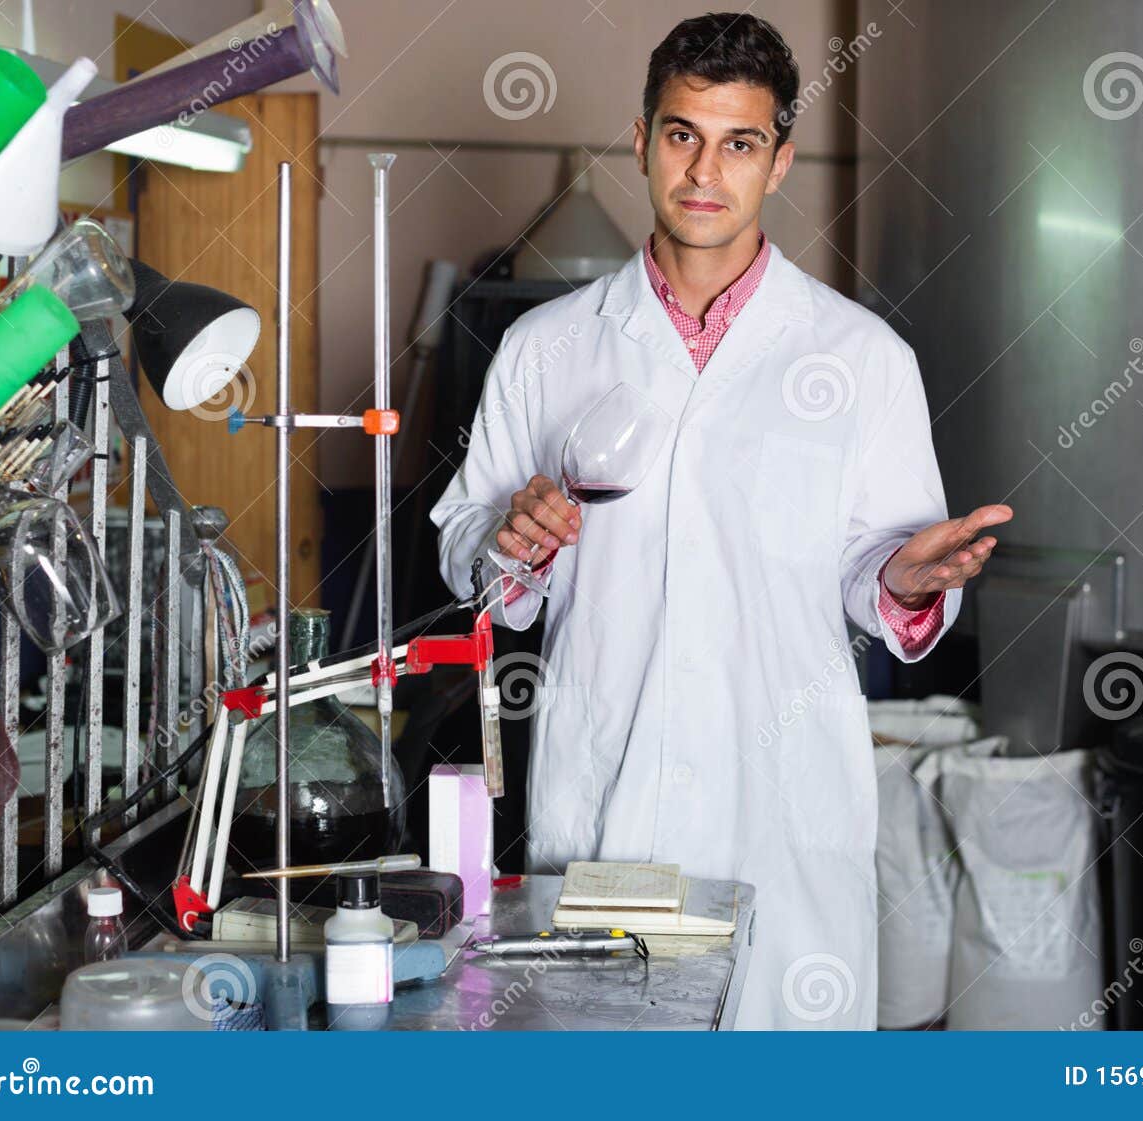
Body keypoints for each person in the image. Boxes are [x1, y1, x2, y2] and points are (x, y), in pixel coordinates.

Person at [432, 12, 1011, 1029]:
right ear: (644, 137)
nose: (705, 170)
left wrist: (903, 580)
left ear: (779, 159)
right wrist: (503, 540)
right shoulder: (546, 347)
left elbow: (875, 572)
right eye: (681, 134)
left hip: (780, 803)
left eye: (739, 142)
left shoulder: (862, 357)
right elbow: (466, 546)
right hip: (606, 799)